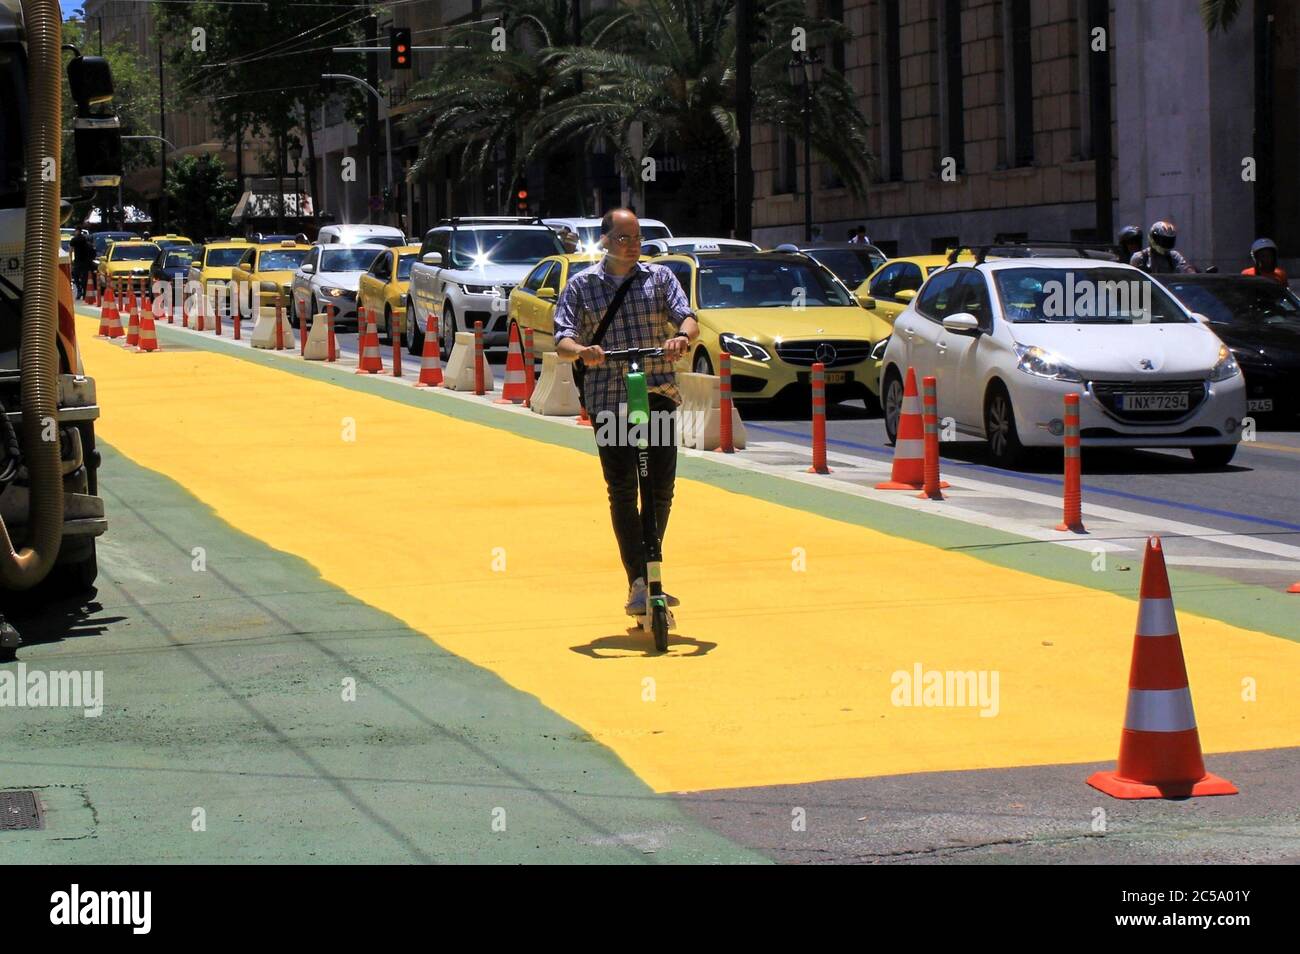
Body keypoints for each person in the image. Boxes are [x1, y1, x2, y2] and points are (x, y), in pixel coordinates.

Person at [553, 208, 700, 616]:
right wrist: (584, 351)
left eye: (636, 238)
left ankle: (650, 574)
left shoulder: (660, 278)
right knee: (622, 490)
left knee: (661, 490)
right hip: (609, 399)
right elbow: (563, 338)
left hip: (657, 392)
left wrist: (681, 340)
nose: (632, 246)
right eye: (623, 238)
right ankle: (638, 580)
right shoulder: (582, 286)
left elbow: (687, 318)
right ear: (603, 240)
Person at [1130, 221, 1195, 274]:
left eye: (1169, 241)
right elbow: (1134, 282)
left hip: (1169, 289)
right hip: (1148, 289)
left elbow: (1185, 269)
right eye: (1164, 241)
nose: (1166, 243)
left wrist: (1191, 272)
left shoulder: (1174, 256)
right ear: (1153, 238)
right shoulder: (1140, 257)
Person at [70, 229, 94, 299]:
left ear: (77, 231)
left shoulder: (74, 240)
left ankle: (79, 290)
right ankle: (84, 292)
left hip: (78, 261)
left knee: (75, 276)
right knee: (84, 278)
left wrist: (71, 261)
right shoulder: (85, 239)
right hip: (85, 261)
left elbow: (71, 251)